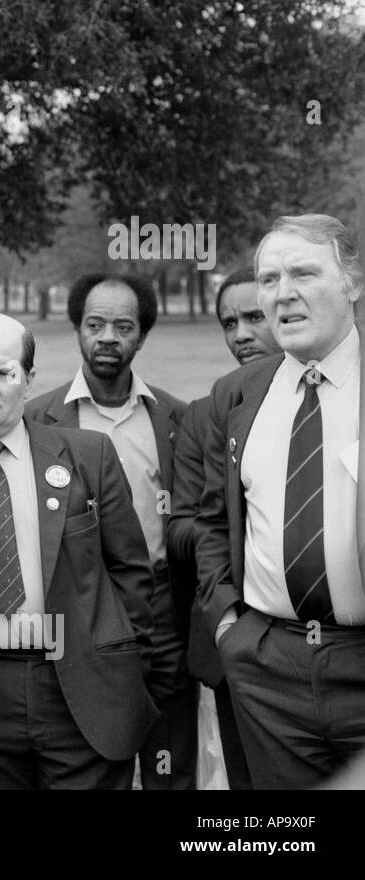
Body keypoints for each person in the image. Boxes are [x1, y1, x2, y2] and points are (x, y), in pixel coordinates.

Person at [0, 313, 161, 789]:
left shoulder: (90, 456)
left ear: (27, 380)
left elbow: (132, 574)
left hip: (81, 685)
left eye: (4, 373)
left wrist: (125, 669)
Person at [195, 213, 364, 788]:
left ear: (354, 282)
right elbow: (214, 520)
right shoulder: (237, 393)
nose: (282, 293)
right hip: (268, 669)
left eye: (303, 273)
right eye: (269, 279)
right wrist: (228, 626)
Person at [24, 272, 191, 789]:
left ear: (142, 335)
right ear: (77, 329)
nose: (107, 338)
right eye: (94, 324)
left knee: (171, 762)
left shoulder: (175, 418)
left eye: (123, 326)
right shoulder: (38, 420)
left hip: (164, 613)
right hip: (79, 611)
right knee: (92, 761)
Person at [165, 268, 280, 790]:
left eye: (254, 317)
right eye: (229, 322)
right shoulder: (208, 411)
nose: (240, 334)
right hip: (240, 636)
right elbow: (182, 526)